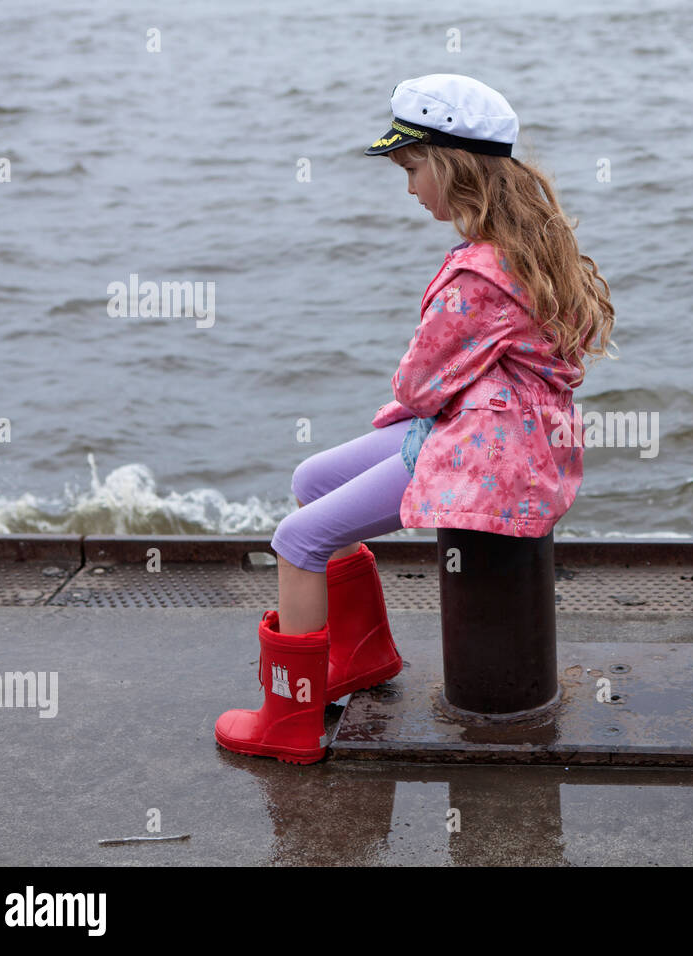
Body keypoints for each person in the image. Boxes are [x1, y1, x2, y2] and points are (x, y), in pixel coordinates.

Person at [215, 74, 615, 764]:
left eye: (413, 168)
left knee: (297, 540)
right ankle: (359, 654)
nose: (408, 188)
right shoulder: (532, 245)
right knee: (312, 478)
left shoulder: (476, 277)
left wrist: (422, 386)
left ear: (455, 167)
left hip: (487, 450)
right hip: (497, 427)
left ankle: (290, 722)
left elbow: (419, 383)